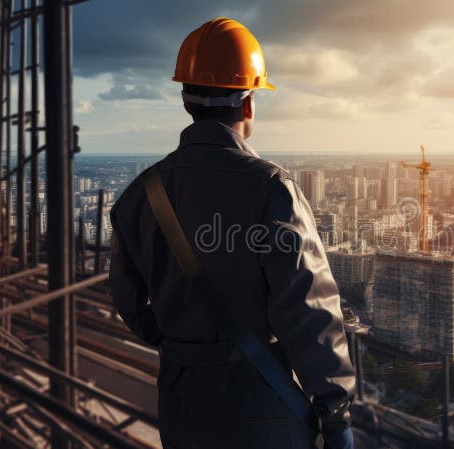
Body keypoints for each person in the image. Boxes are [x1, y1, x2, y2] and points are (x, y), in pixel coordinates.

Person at [109, 17, 356, 449]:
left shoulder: (140, 195)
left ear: (188, 101)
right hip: (261, 409)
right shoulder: (272, 190)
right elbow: (310, 313)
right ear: (248, 105)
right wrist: (336, 416)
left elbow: (129, 302)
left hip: (182, 406)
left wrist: (186, 349)